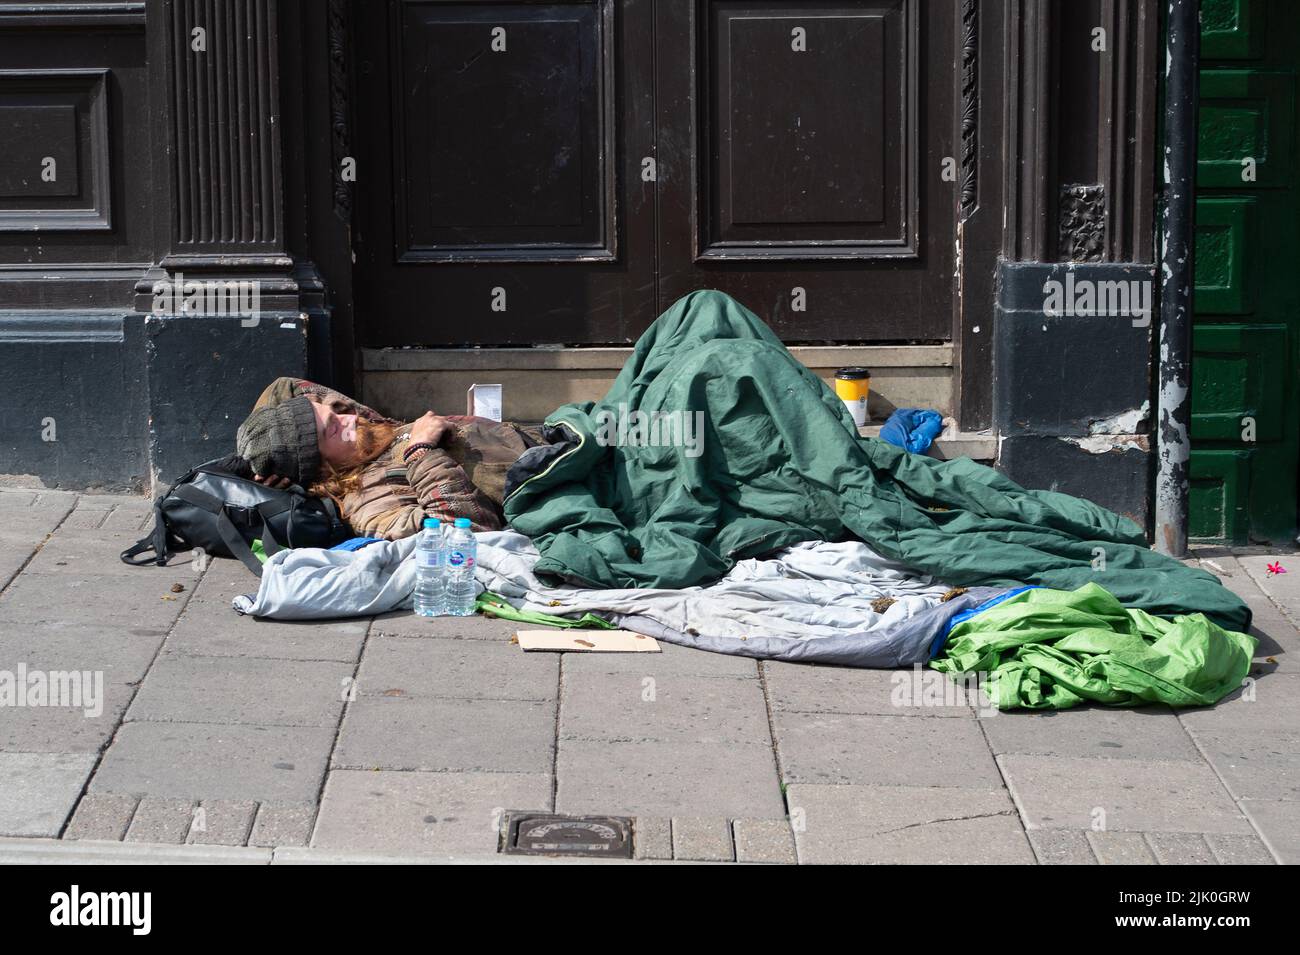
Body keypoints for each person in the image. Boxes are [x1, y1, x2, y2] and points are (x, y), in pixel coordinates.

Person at [233, 377, 542, 539]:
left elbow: (285, 386)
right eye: (333, 428)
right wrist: (421, 452)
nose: (349, 417)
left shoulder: (367, 433)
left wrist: (259, 456)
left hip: (547, 435)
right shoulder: (370, 502)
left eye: (335, 413)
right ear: (324, 468)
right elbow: (462, 536)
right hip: (556, 478)